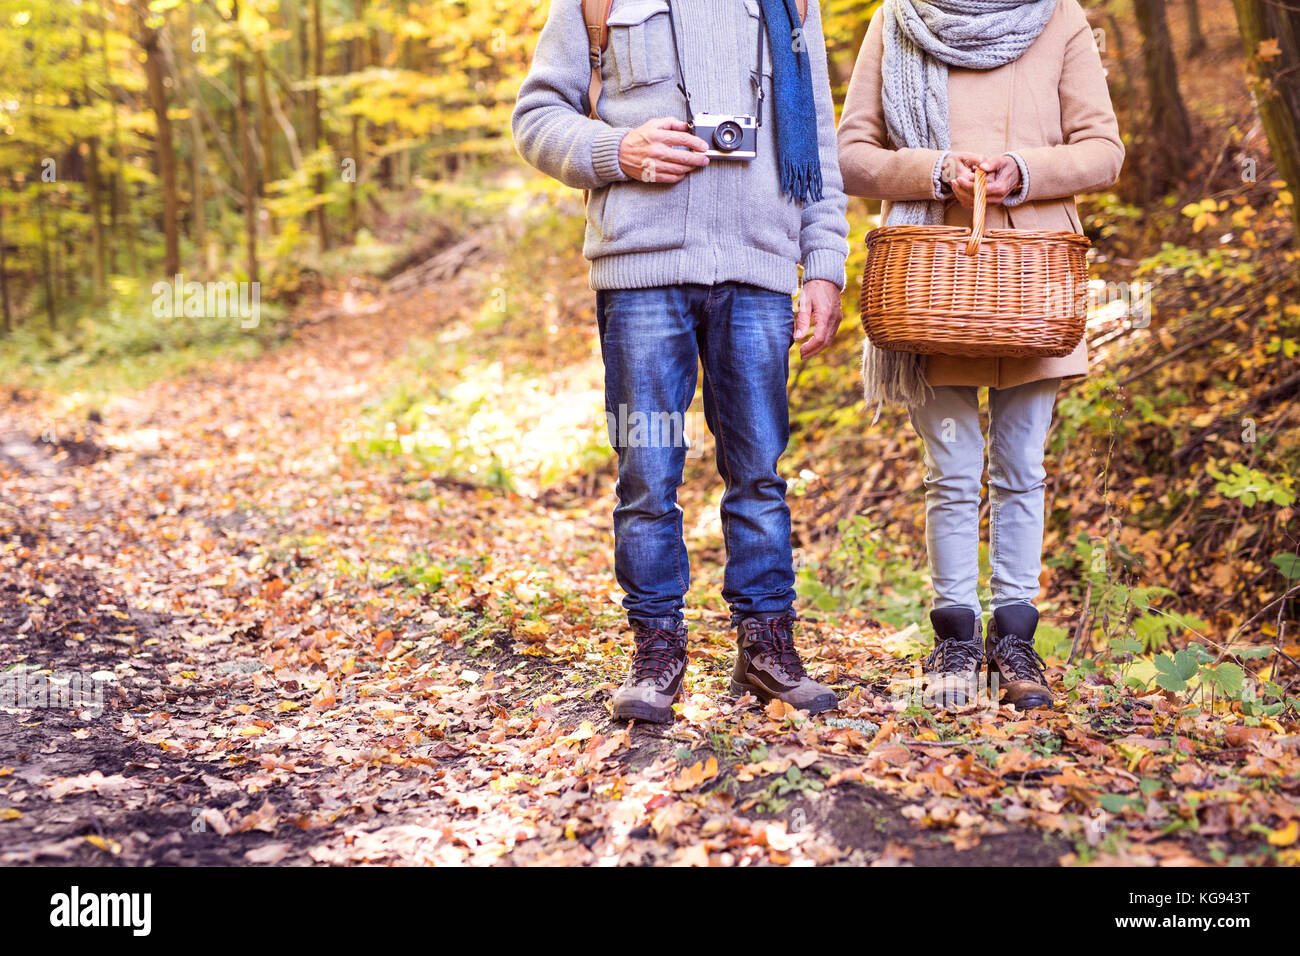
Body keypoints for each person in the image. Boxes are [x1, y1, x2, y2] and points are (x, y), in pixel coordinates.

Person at [512, 0, 850, 722]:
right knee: (647, 473)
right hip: (641, 271)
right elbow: (537, 118)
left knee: (759, 473)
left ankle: (766, 650)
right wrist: (618, 151)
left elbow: (817, 141)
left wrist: (824, 265)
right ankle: (655, 654)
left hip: (761, 269)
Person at [837, 0, 1123, 708]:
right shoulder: (897, 19)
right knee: (953, 469)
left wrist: (1022, 171)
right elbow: (849, 156)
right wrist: (936, 171)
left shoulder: (1060, 18)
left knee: (1023, 465)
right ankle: (955, 638)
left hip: (1032, 278)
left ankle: (1017, 640)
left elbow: (1104, 150)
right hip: (932, 275)